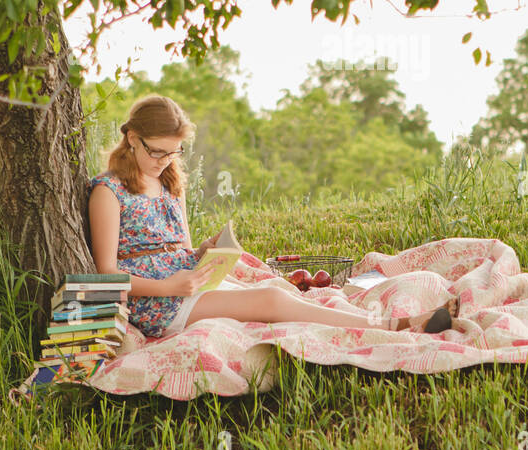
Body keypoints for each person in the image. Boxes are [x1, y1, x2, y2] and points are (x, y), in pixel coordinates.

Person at [87, 94, 458, 342]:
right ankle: (398, 328)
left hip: (186, 285)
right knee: (270, 300)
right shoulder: (109, 191)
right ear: (132, 138)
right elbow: (106, 275)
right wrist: (169, 287)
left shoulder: (170, 182)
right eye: (156, 151)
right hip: (156, 301)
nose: (164, 160)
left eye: (174, 152)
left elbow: (180, 249)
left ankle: (391, 322)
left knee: (278, 294)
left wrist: (204, 252)